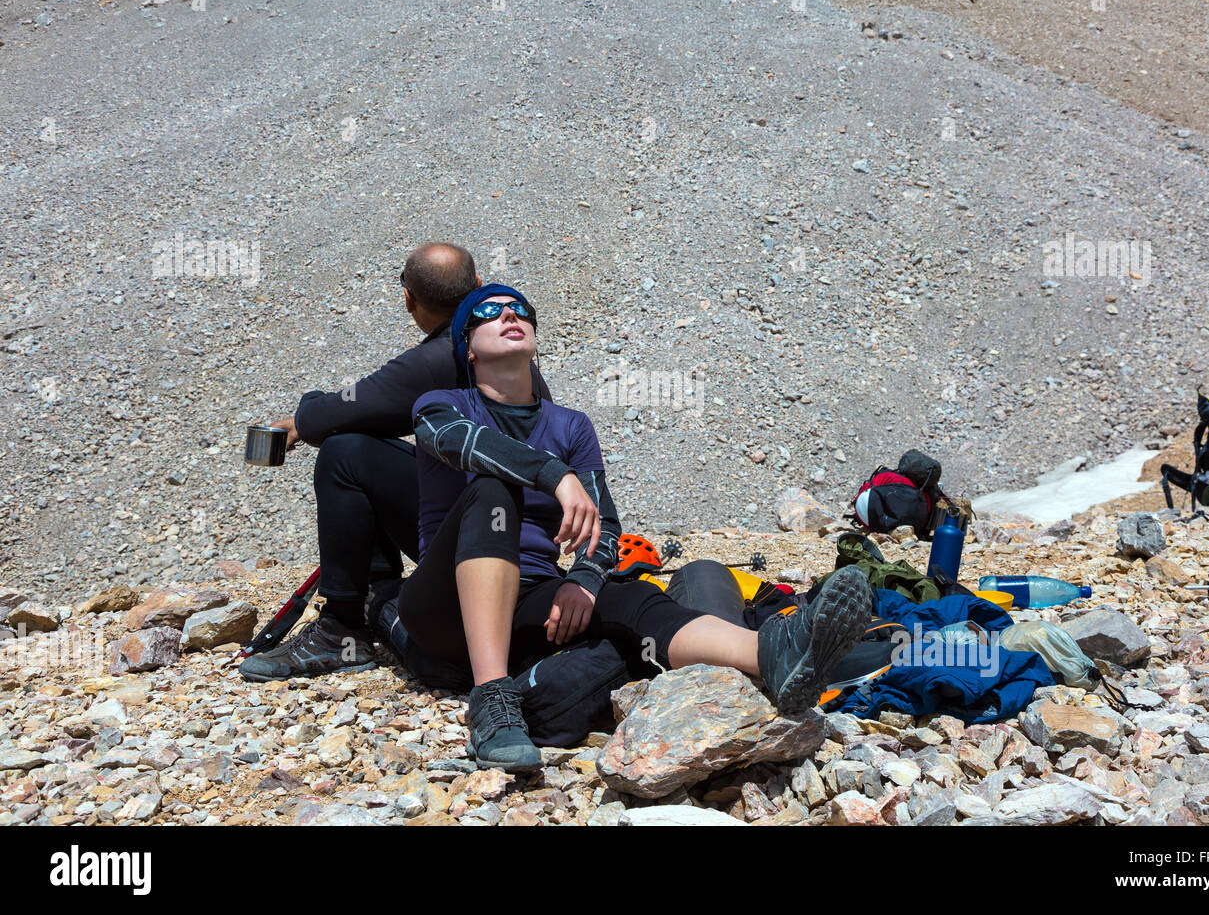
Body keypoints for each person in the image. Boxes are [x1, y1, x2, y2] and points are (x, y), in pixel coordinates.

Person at [397, 284, 876, 771]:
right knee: (493, 490)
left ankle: (774, 652)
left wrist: (583, 582)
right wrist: (554, 474)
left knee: (631, 597)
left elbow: (605, 527)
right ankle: (492, 702)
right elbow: (456, 442)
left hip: (528, 600)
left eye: (520, 309)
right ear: (468, 347)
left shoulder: (571, 425)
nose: (509, 314)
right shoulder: (441, 405)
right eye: (489, 312)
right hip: (442, 607)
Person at [238, 244, 551, 682]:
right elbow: (370, 407)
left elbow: (340, 413)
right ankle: (378, 592)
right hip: (521, 535)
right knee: (367, 446)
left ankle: (342, 629)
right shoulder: (505, 346)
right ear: (478, 288)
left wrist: (304, 414)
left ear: (409, 299)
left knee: (345, 452)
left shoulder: (442, 355)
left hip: (480, 539)